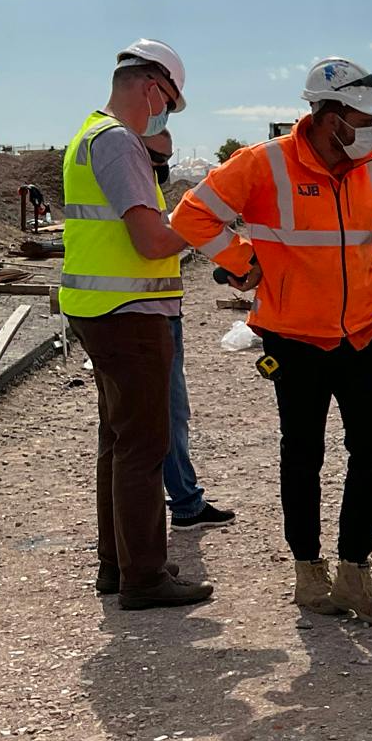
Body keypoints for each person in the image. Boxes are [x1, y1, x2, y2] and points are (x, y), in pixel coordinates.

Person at [170, 58, 372, 625]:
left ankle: (355, 574)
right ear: (328, 117)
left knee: (371, 456)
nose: (369, 127)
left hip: (366, 334)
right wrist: (242, 261)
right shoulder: (264, 164)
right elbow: (191, 216)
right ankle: (308, 573)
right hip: (295, 338)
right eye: (359, 116)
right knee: (302, 456)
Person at [60, 38, 213, 610]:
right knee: (144, 446)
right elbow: (150, 240)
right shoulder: (119, 143)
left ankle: (119, 564)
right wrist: (202, 220)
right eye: (169, 100)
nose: (166, 112)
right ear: (153, 87)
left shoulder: (89, 134)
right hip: (130, 314)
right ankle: (144, 578)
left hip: (101, 309)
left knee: (119, 440)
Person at [141, 130, 236, 534]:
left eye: (168, 158)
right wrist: (198, 226)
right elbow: (157, 243)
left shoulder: (146, 189)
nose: (164, 166)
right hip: (144, 313)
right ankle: (181, 504)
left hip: (156, 309)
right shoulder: (132, 189)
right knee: (165, 415)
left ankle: (183, 500)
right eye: (159, 158)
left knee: (167, 414)